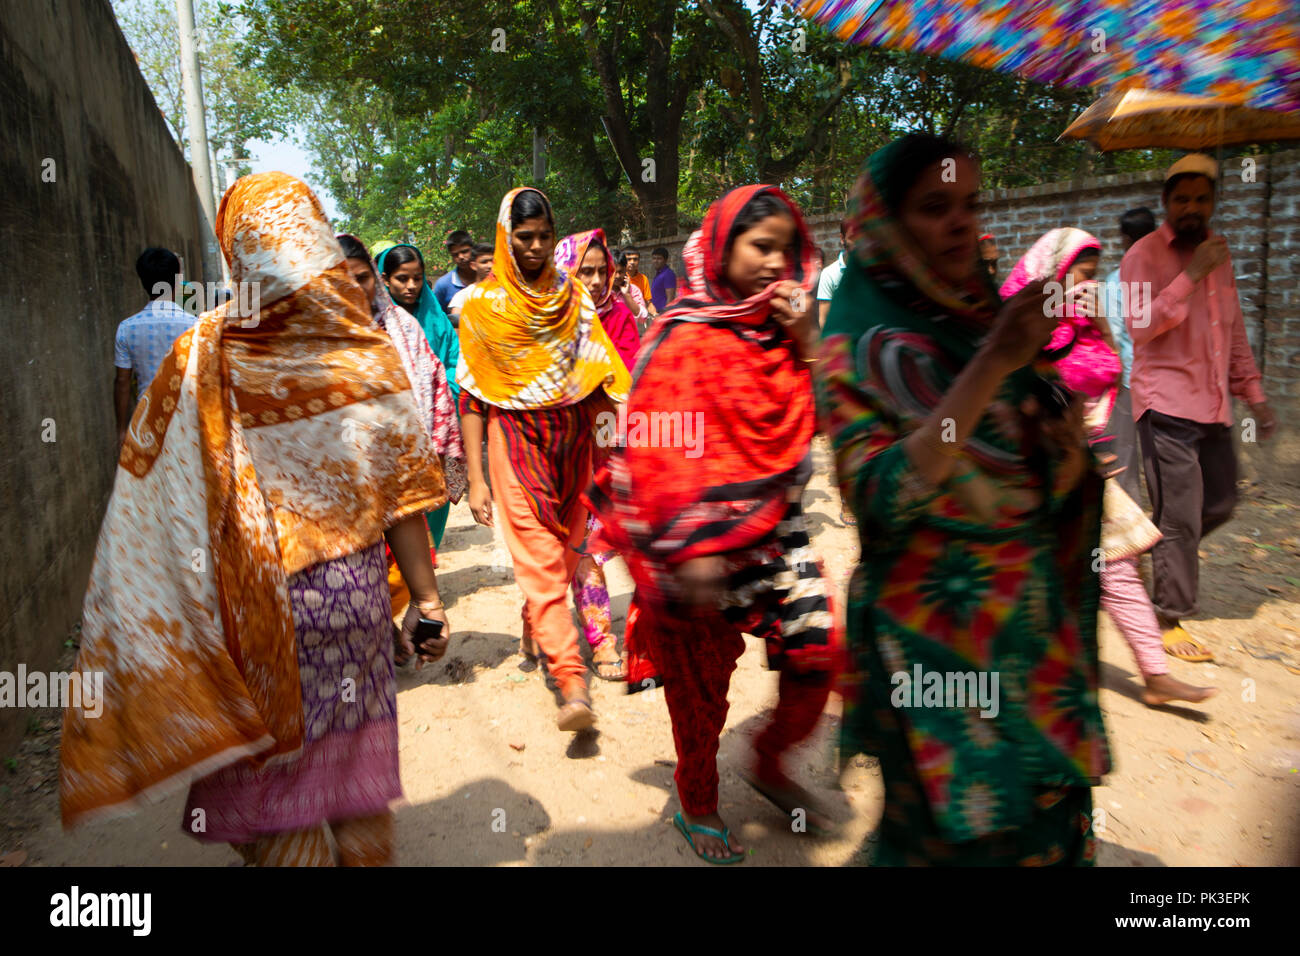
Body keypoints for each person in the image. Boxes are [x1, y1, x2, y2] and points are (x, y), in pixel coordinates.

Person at [61, 173, 451, 866]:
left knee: (277, 811)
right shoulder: (362, 352)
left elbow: (152, 499)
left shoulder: (200, 357)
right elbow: (399, 501)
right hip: (354, 613)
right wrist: (425, 600)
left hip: (249, 626)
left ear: (235, 255)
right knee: (356, 795)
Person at [818, 133, 1110, 865]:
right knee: (957, 840)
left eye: (970, 203)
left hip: (1034, 637)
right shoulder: (855, 343)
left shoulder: (986, 316)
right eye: (934, 206)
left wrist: (1066, 450)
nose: (960, 223)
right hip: (935, 650)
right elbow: (883, 494)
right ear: (886, 225)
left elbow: (1043, 486)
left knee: (1046, 829)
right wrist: (995, 363)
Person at [588, 185, 835, 864]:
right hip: (695, 542)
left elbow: (825, 402)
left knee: (816, 653)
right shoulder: (684, 333)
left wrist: (807, 330)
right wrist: (690, 545)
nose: (773, 262)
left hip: (778, 530)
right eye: (760, 246)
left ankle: (770, 759)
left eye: (786, 249)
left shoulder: (782, 330)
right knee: (702, 688)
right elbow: (656, 440)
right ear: (723, 247)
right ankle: (697, 797)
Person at [1002, 228, 1214, 707]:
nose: (1088, 283)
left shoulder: (1085, 320)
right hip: (1033, 476)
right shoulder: (1021, 325)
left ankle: (1154, 675)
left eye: (1095, 275)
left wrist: (1098, 321)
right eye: (1081, 271)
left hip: (1083, 468)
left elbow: (1113, 371)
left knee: (1115, 566)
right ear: (1051, 272)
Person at [457, 187, 631, 731]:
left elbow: (601, 375)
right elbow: (473, 397)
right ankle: (572, 680)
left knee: (569, 550)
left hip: (574, 443)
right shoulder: (481, 307)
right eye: (523, 238)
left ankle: (536, 625)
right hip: (516, 443)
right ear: (506, 240)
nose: (534, 247)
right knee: (539, 560)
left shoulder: (575, 300)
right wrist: (477, 478)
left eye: (544, 237)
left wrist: (615, 450)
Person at [1123, 153, 1276, 663]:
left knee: (1222, 503)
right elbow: (1141, 325)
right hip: (1164, 404)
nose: (1192, 207)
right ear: (1166, 203)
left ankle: (1155, 548)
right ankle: (1168, 616)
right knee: (1182, 517)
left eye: (1201, 198)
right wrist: (1191, 275)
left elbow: (1231, 334)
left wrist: (1253, 393)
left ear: (1214, 202)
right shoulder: (1143, 255)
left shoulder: (1220, 254)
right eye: (1182, 198)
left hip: (1213, 407)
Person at [339, 233, 467, 631]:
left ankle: (414, 607)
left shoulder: (405, 327)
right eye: (401, 279)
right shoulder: (307, 344)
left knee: (411, 540)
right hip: (344, 487)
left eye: (359, 278)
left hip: (410, 463)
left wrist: (439, 388)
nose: (411, 286)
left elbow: (449, 365)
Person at [552, 227, 643, 681]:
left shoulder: (621, 317)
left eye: (599, 270)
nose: (591, 280)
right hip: (560, 454)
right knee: (575, 548)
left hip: (609, 450)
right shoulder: (546, 321)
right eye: (582, 271)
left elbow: (626, 382)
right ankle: (601, 639)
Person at [376, 242, 461, 547]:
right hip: (394, 427)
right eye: (402, 279)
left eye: (417, 278)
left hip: (437, 423)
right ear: (384, 279)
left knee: (435, 495)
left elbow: (454, 360)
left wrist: (440, 398)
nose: (411, 286)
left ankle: (430, 555)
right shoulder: (376, 320)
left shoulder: (436, 318)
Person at [1100, 208, 1156, 503]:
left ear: (1124, 239)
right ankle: (1167, 521)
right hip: (1166, 381)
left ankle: (1130, 530)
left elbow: (1112, 334)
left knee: (1124, 454)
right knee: (1161, 456)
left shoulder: (1116, 280)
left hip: (1129, 381)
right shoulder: (1170, 275)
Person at [114, 247, 195, 450]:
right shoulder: (195, 326)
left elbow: (122, 382)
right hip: (186, 420)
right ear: (177, 280)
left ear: (143, 282)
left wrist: (122, 429)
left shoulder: (126, 329)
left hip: (146, 422)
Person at [447, 242, 494, 323]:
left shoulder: (506, 292)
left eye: (493, 261)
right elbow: (458, 332)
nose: (490, 266)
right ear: (473, 266)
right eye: (484, 262)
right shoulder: (462, 297)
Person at [816, 220, 850, 328]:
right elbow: (823, 319)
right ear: (842, 238)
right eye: (853, 237)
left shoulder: (872, 268)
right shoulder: (829, 275)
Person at [432, 229, 476, 311]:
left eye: (465, 251)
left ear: (473, 249)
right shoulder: (443, 285)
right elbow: (436, 315)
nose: (461, 257)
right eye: (455, 255)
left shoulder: (488, 277)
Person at [614, 251, 652, 333]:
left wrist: (627, 295)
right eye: (614, 272)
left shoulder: (633, 290)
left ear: (625, 270)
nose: (617, 276)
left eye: (620, 272)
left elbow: (643, 317)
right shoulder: (601, 291)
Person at [624, 248, 655, 315]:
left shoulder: (643, 279)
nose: (632, 262)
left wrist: (655, 315)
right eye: (629, 259)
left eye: (635, 259)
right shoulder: (618, 278)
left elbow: (648, 303)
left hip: (638, 318)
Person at [649, 246, 677, 312]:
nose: (656, 261)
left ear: (665, 260)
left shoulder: (668, 274)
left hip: (662, 313)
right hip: (655, 313)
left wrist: (665, 316)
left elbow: (670, 298)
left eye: (659, 258)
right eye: (654, 258)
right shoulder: (658, 274)